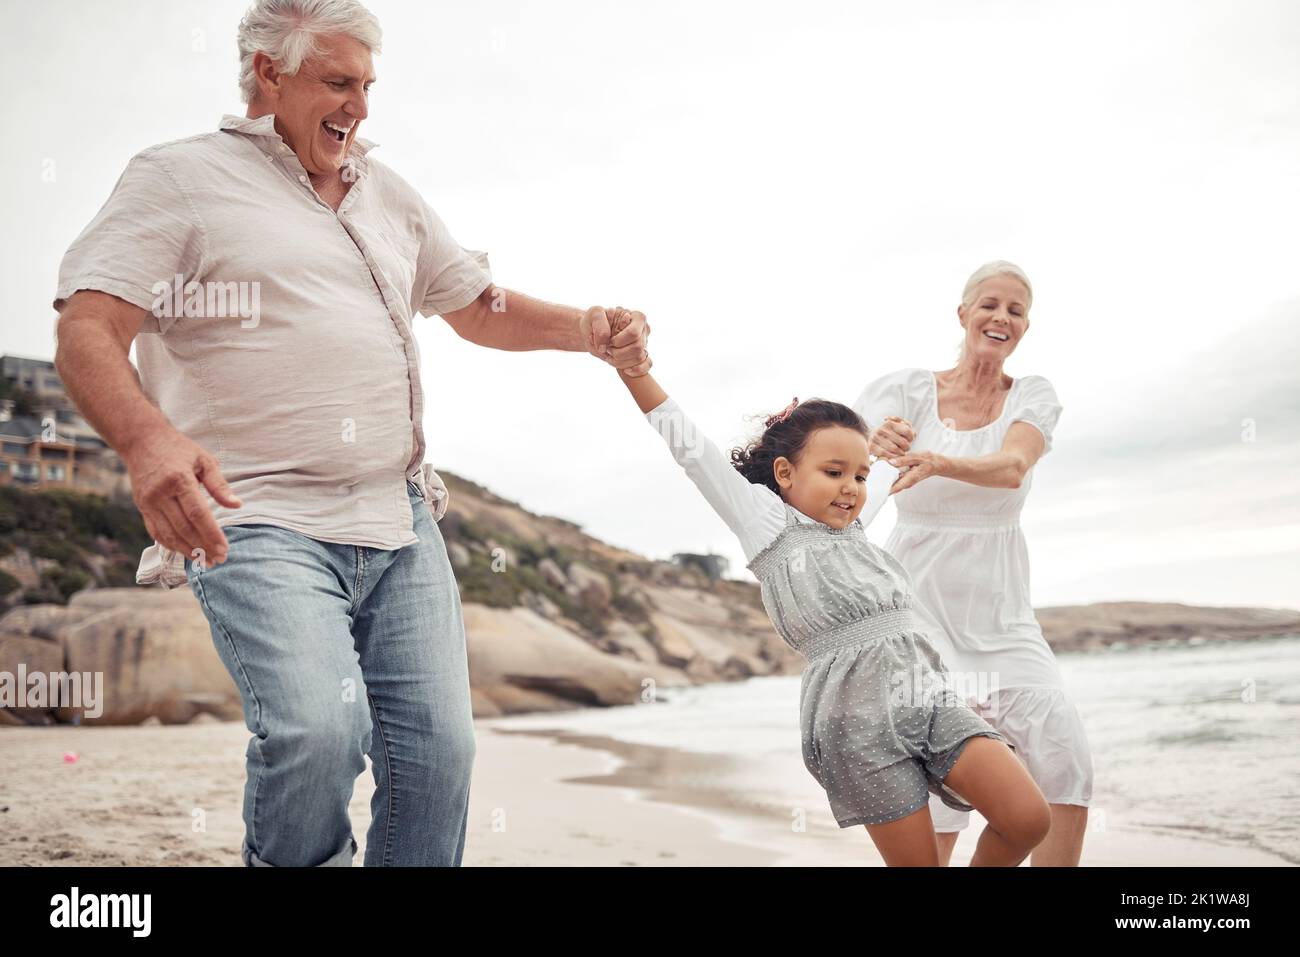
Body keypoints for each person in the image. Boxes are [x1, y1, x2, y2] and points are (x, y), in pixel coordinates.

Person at [50, 0, 651, 867]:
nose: (360, 106)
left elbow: (478, 308)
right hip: (256, 519)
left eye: (367, 85)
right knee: (319, 733)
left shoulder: (388, 194)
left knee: (440, 756)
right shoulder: (179, 179)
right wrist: (148, 441)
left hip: (398, 522)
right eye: (338, 81)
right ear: (269, 73)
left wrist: (588, 329)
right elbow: (87, 328)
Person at [612, 323, 1051, 865]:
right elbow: (691, 450)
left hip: (929, 698)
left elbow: (881, 488)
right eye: (834, 472)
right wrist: (636, 371)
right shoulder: (766, 523)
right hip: (854, 720)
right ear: (785, 473)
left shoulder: (854, 527)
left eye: (861, 476)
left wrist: (889, 447)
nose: (851, 487)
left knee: (1029, 818)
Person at [852, 260, 1093, 866]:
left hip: (1002, 613)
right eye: (989, 305)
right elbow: (850, 455)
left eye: (1015, 310)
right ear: (963, 315)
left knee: (1061, 749)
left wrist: (939, 462)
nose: (1000, 317)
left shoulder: (1032, 395)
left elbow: (1013, 466)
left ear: (1025, 327)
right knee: (943, 782)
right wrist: (874, 442)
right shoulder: (907, 389)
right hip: (918, 613)